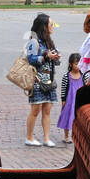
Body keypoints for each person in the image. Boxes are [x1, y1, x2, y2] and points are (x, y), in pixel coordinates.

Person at [24, 13, 61, 146]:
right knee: (35, 110)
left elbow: (55, 62)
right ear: (44, 26)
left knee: (47, 110)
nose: (52, 27)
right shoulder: (33, 42)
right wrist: (46, 57)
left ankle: (46, 138)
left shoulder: (49, 41)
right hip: (37, 80)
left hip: (49, 80)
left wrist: (56, 58)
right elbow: (31, 60)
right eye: (51, 25)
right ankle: (29, 137)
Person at [56, 53, 82, 144]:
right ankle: (66, 136)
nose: (78, 66)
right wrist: (63, 100)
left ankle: (76, 136)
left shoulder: (83, 76)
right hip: (70, 101)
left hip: (79, 101)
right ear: (70, 64)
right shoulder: (67, 76)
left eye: (80, 63)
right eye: (76, 63)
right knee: (67, 117)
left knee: (78, 119)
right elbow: (63, 89)